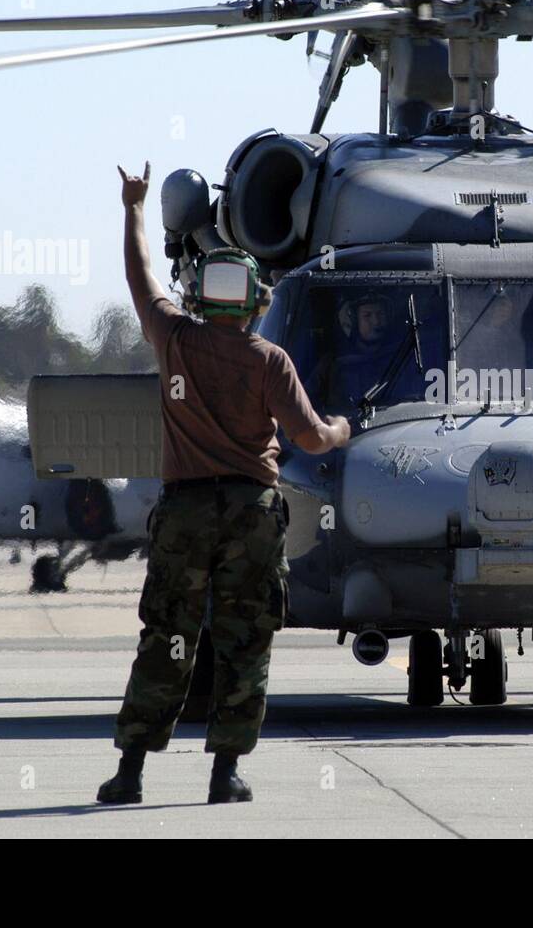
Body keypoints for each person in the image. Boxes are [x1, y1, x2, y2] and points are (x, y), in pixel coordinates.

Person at [98, 162, 350, 805]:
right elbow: (313, 440)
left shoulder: (174, 339)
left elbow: (139, 276)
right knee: (245, 638)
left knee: (167, 636)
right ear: (256, 300)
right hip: (250, 513)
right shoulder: (270, 360)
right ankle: (225, 775)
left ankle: (129, 774)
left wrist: (133, 207)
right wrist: (345, 429)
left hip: (184, 510)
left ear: (201, 297)